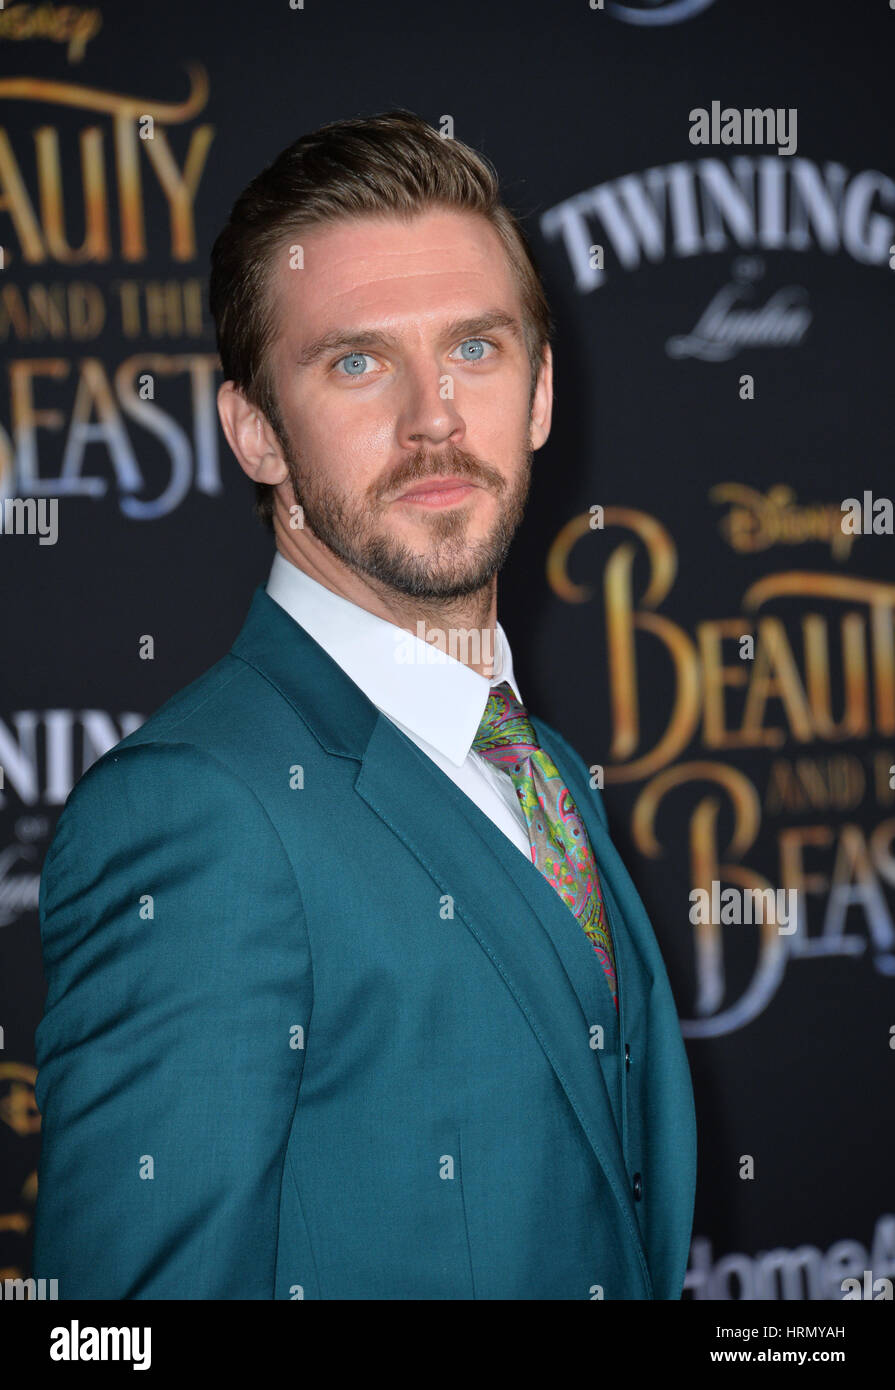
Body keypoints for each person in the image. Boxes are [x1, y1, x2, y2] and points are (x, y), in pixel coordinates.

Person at [33, 110, 696, 1299]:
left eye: (476, 351)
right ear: (254, 432)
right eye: (356, 361)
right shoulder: (199, 816)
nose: (433, 415)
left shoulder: (532, 761)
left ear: (541, 395)